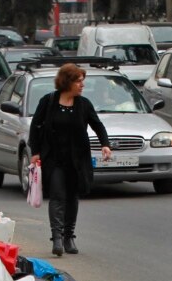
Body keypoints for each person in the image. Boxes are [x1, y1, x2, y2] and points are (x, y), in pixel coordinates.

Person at [28, 64, 112, 257]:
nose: (82, 85)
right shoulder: (48, 101)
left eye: (83, 81)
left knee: (72, 197)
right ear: (67, 82)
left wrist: (105, 145)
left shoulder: (84, 104)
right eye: (79, 81)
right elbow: (35, 127)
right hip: (54, 158)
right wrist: (36, 151)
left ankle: (68, 236)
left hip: (77, 160)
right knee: (57, 195)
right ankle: (56, 237)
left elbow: (98, 126)